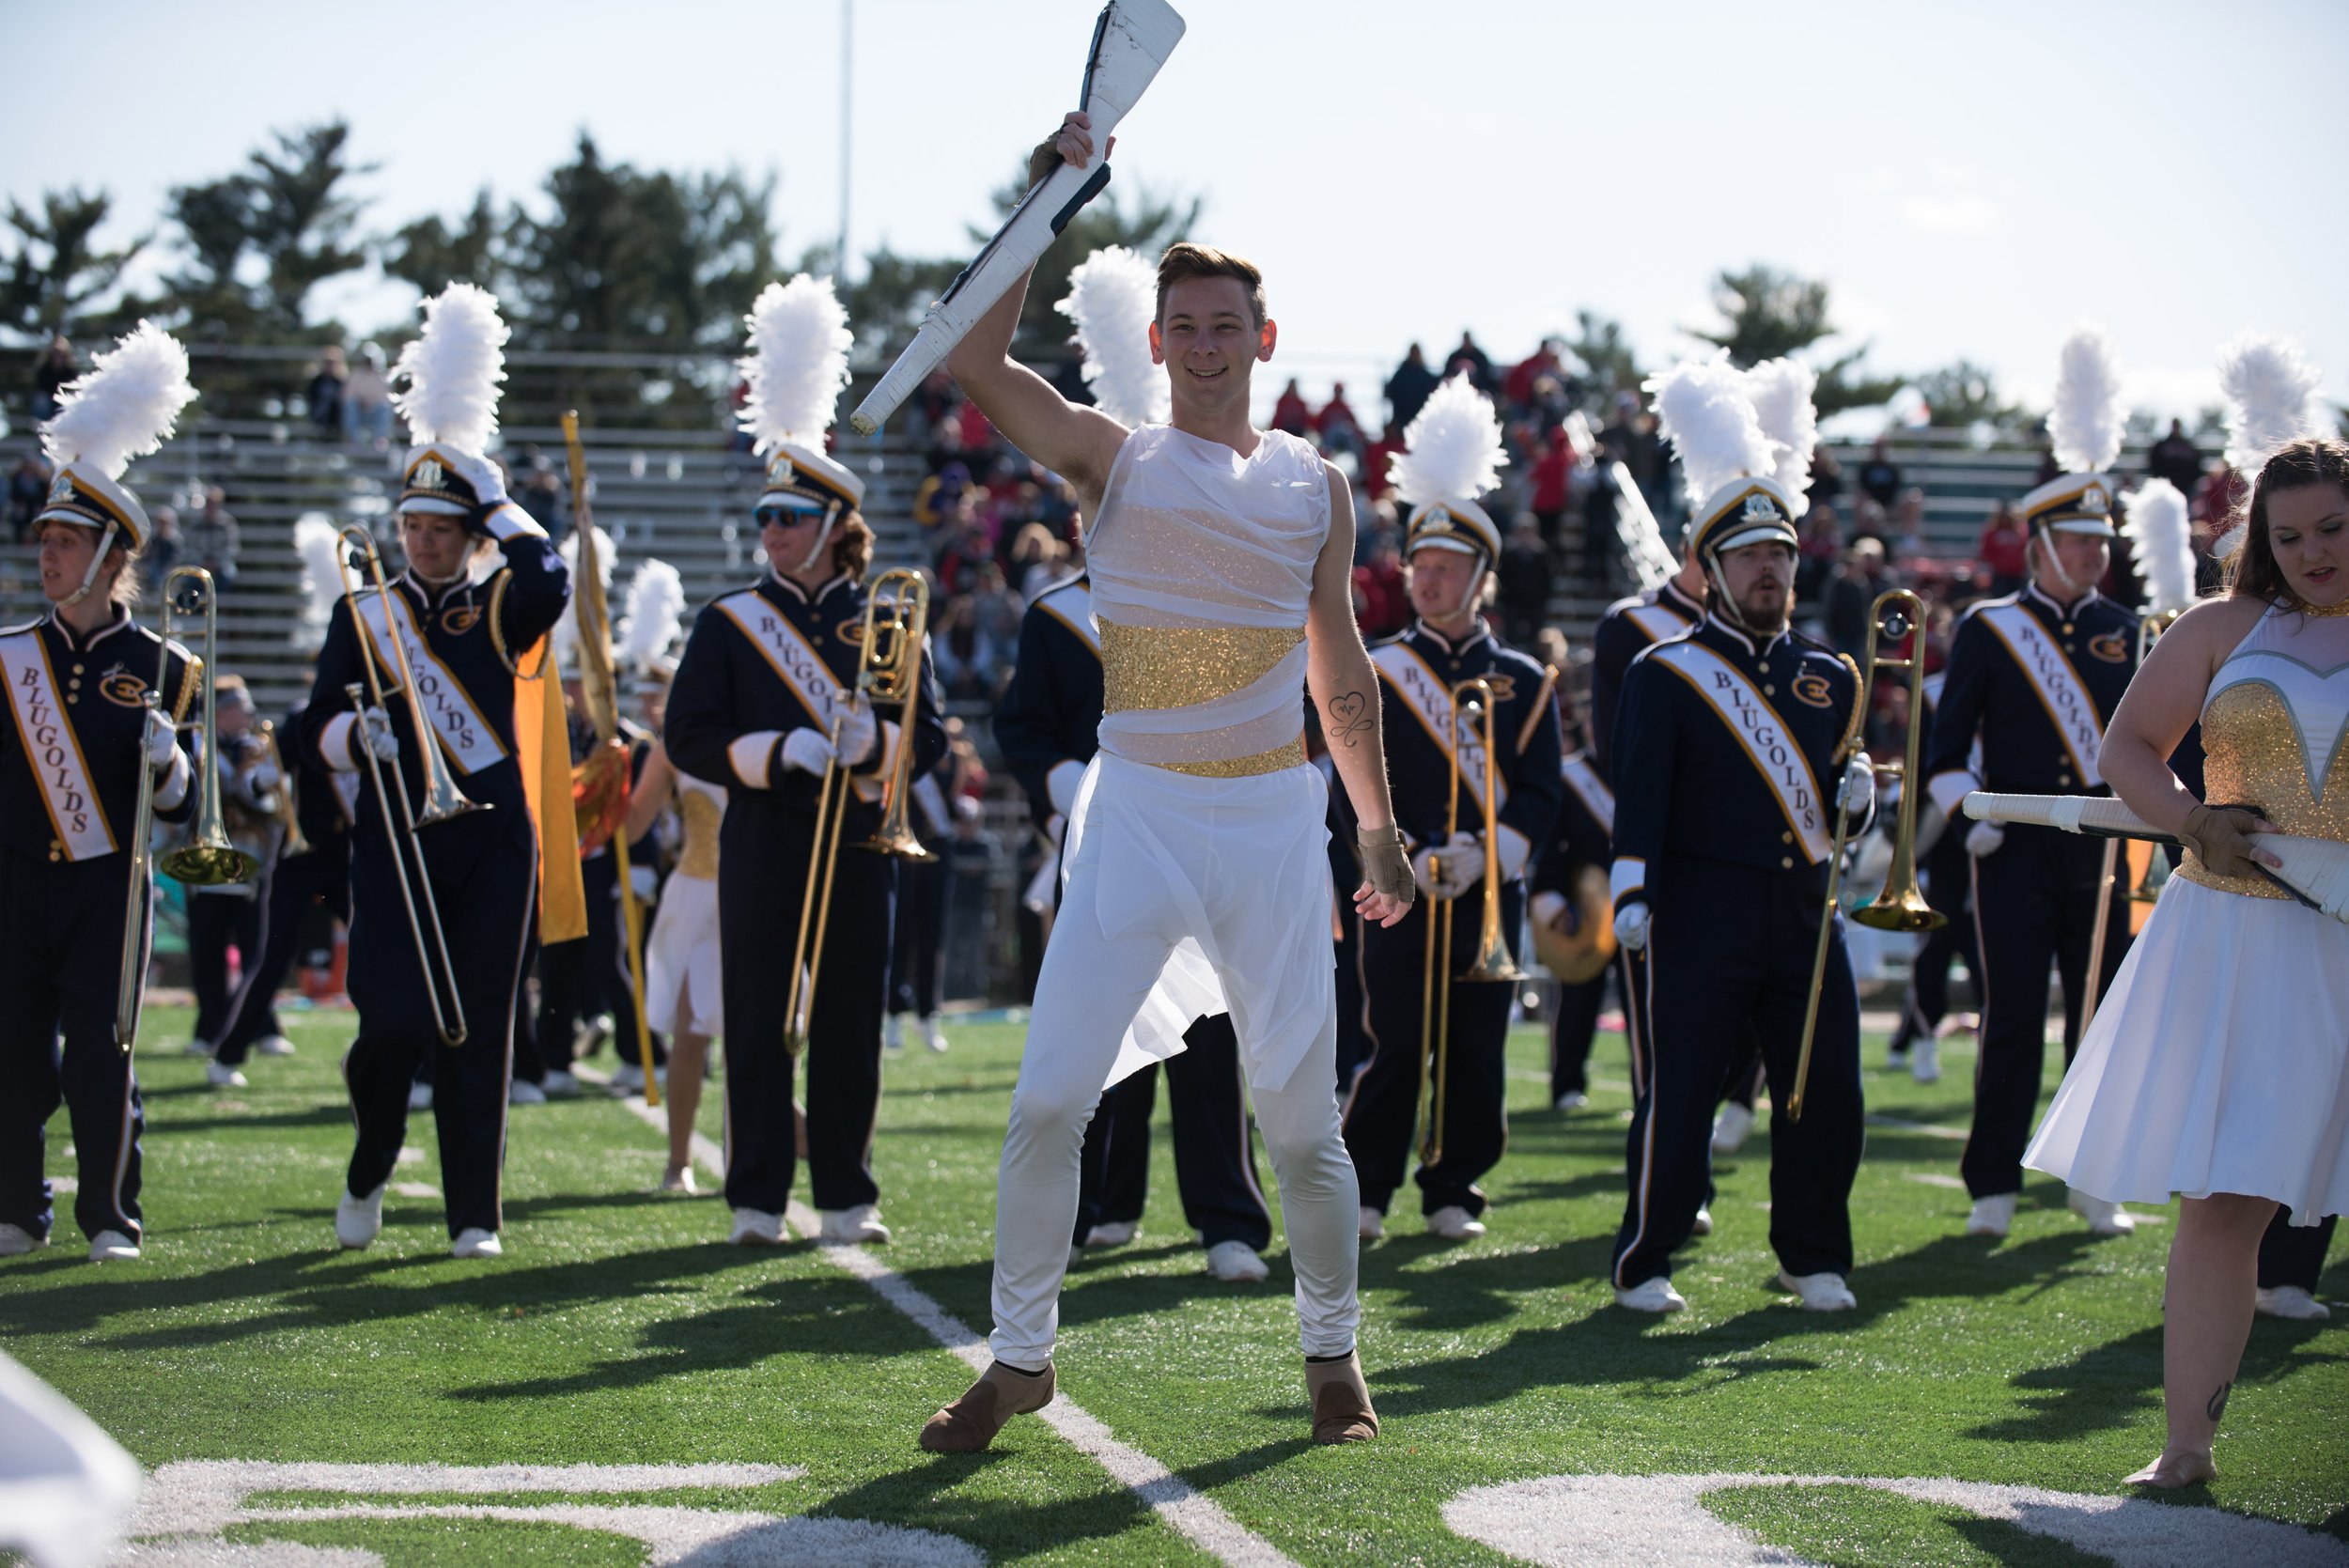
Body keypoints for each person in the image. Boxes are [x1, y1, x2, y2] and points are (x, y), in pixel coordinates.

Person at [919, 112, 1415, 1455]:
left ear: (1263, 338)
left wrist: (1374, 828)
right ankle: (1020, 1360)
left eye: (1225, 325)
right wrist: (1048, 193)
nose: (1203, 344)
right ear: (1156, 343)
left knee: (1302, 1133)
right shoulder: (1110, 455)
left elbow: (1345, 671)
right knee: (1045, 1102)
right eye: (1183, 325)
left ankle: (1330, 1352)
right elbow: (972, 358)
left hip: (1268, 820)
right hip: (1132, 814)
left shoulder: (1317, 486)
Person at [2023, 430, 2349, 1487]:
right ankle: (2186, 1447)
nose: (2312, 551)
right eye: (2288, 532)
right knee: (2224, 1197)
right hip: (2235, 941)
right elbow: (2127, 749)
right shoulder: (2220, 624)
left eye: (2334, 528)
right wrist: (2187, 819)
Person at [664, 273, 945, 1250]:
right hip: (763, 835)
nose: (772, 532)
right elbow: (686, 736)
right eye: (766, 519)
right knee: (753, 1018)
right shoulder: (731, 621)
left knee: (847, 1023)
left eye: (789, 518)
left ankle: (844, 1193)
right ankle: (753, 1197)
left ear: (833, 526)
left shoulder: (887, 617)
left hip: (862, 838)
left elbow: (937, 737)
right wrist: (778, 749)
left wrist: (886, 748)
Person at [299, 285, 570, 1262]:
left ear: (468, 533)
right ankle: (373, 1156)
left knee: (480, 1028)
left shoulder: (498, 603)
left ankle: (472, 1215)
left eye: (442, 526)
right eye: (412, 524)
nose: (422, 539)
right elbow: (309, 724)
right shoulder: (360, 612)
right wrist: (348, 741)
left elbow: (550, 580)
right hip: (395, 841)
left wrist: (498, 499)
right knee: (395, 1027)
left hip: (493, 840)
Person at [1608, 356, 1873, 1315]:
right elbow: (1639, 794)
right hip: (1697, 908)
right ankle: (1647, 1257)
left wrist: (1861, 797)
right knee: (1680, 1096)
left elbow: (1840, 805)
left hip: (1805, 912)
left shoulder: (1831, 675)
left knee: (1825, 1089)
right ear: (1712, 569)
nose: (1768, 569)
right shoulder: (1665, 670)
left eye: (1781, 554)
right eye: (1748, 555)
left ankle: (1812, 1253)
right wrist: (1630, 888)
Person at [994, 564, 1276, 1285]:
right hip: (1101, 844)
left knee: (1208, 1032)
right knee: (1095, 1025)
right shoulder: (1056, 613)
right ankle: (1086, 1209)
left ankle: (1227, 1218)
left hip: (1200, 841)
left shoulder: (1215, 597)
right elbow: (1022, 728)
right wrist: (1067, 783)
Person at [1923, 328, 2141, 1241]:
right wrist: (1962, 808)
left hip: (2100, 847)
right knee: (2010, 1016)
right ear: (2040, 542)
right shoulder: (1987, 626)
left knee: (2097, 1024)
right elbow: (1943, 747)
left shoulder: (2128, 630)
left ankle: (2092, 1176)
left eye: (2101, 538)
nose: (2093, 554)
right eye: (2077, 539)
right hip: (2007, 843)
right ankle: (1992, 1183)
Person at [1341, 375, 1563, 1244]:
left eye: (1447, 570)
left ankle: (1454, 1187)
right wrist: (1384, 851)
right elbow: (1346, 772)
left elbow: (1540, 789)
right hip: (1396, 880)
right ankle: (1367, 1189)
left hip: (1483, 890)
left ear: (1481, 577)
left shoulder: (1528, 678)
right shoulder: (1376, 664)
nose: (1428, 581)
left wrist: (1490, 851)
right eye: (1420, 567)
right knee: (1395, 1037)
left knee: (1475, 1045)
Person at [0, 322, 201, 1265]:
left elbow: (180, 810)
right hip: (12, 882)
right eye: (46, 538)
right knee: (9, 1057)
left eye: (69, 540)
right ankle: (15, 1205)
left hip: (105, 889)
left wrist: (167, 762)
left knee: (100, 1058)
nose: (49, 554)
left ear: (112, 553)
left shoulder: (166, 666)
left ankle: (110, 1215)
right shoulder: (8, 658)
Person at [211, 700, 354, 1079]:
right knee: (273, 958)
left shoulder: (360, 713)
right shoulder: (302, 718)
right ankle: (229, 1055)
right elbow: (257, 780)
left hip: (347, 858)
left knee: (380, 952)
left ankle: (387, 1051)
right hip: (297, 860)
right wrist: (264, 778)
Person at [182, 675, 282, 1079]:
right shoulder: (201, 748)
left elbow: (270, 802)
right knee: (207, 953)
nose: (250, 712)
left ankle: (264, 1026)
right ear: (221, 711)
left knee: (257, 952)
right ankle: (209, 1029)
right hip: (207, 866)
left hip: (250, 858)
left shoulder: (255, 749)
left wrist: (258, 780)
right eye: (240, 705)